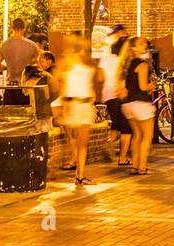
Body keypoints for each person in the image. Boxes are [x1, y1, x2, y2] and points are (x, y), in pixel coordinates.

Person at [54, 32, 102, 186]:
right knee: (74, 140)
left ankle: (80, 175)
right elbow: (57, 83)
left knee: (82, 142)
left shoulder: (85, 60)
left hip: (86, 103)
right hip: (73, 103)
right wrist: (61, 106)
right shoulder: (65, 60)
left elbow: (97, 78)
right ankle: (78, 173)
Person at [120, 35, 155, 175]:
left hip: (128, 105)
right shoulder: (142, 64)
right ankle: (142, 166)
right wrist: (152, 84)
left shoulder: (127, 64)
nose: (144, 45)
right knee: (147, 136)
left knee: (137, 135)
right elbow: (143, 86)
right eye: (141, 44)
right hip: (141, 104)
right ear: (133, 48)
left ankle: (134, 165)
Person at [100, 25, 132, 167]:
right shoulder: (125, 62)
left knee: (116, 126)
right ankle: (122, 158)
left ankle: (107, 146)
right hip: (122, 95)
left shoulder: (105, 58)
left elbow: (100, 77)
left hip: (108, 96)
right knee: (126, 128)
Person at [0, 18, 40, 84]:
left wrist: (7, 67)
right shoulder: (32, 45)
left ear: (12, 28)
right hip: (26, 86)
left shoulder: (4, 45)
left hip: (10, 86)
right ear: (24, 29)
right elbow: (39, 65)